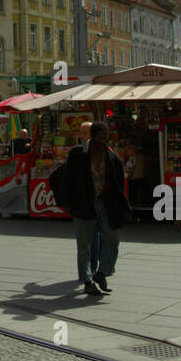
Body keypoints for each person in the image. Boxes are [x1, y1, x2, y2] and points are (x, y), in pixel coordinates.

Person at [54, 122, 128, 296]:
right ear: (92, 137)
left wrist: (122, 207)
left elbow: (118, 185)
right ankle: (87, 280)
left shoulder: (112, 158)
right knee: (84, 247)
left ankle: (102, 273)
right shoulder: (78, 154)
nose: (104, 140)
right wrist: (67, 203)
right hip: (84, 205)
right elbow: (66, 180)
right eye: (100, 137)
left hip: (105, 205)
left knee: (112, 241)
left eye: (106, 137)